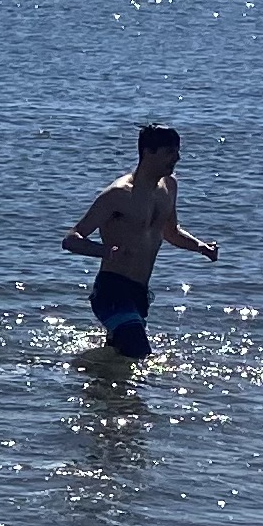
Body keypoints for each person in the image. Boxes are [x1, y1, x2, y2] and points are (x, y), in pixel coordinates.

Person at [61, 123, 218, 376]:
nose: (177, 158)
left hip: (139, 292)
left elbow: (171, 232)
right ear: (148, 152)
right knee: (139, 353)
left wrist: (200, 247)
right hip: (112, 290)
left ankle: (99, 392)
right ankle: (130, 409)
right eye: (170, 152)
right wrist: (104, 251)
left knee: (118, 359)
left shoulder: (169, 187)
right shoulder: (118, 195)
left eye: (177, 151)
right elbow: (71, 239)